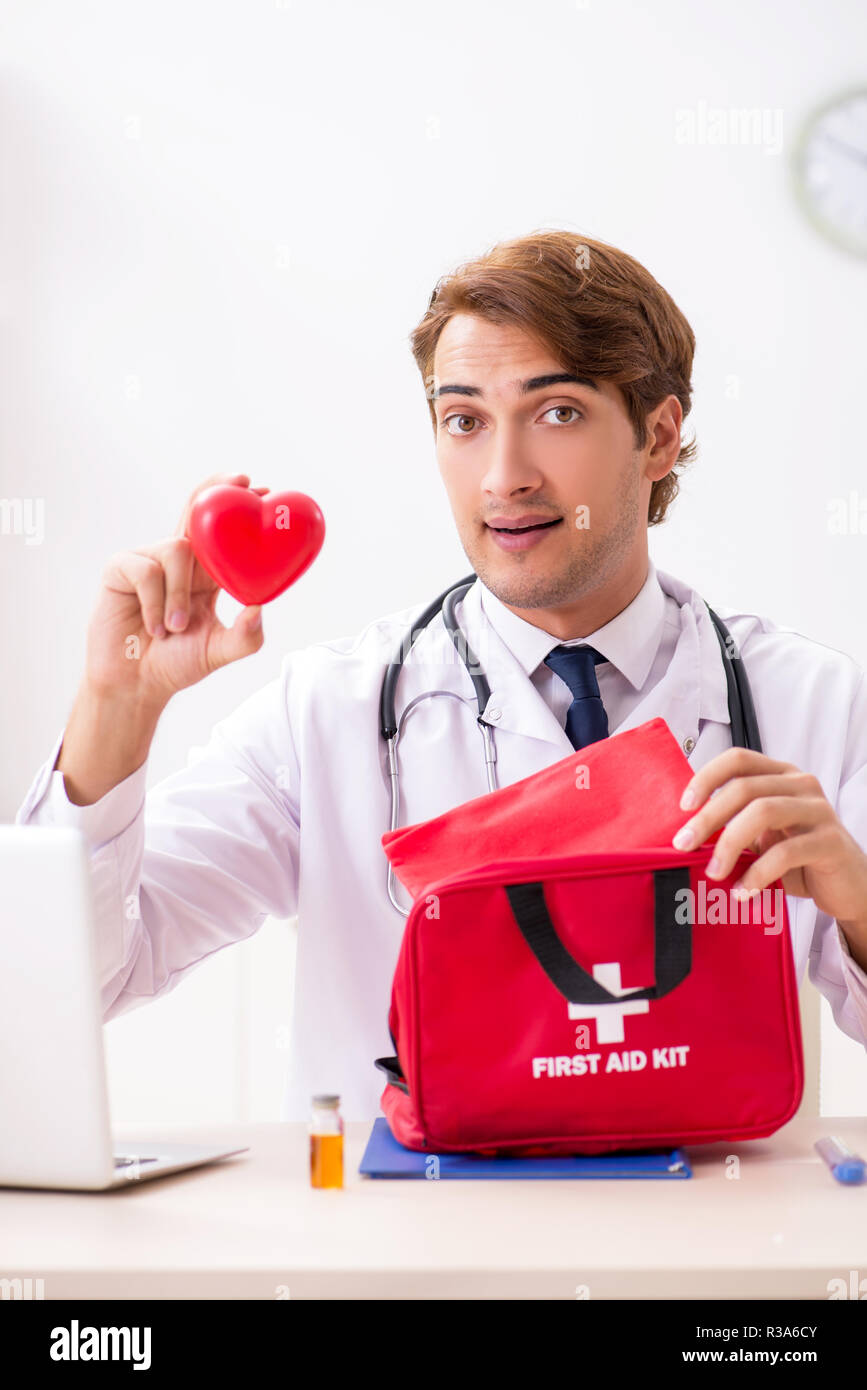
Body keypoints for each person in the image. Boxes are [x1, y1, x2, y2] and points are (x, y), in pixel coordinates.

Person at [15, 228, 867, 1120]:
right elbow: (76, 986)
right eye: (464, 421)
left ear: (657, 437)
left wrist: (857, 903)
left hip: (709, 1245)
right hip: (411, 1248)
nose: (503, 478)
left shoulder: (807, 702)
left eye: (557, 412)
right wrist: (116, 706)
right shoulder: (331, 713)